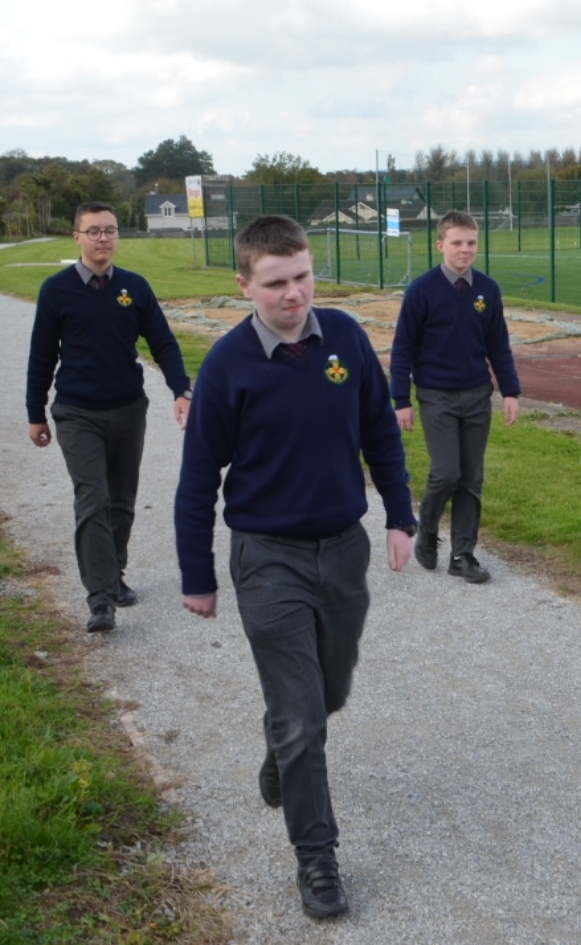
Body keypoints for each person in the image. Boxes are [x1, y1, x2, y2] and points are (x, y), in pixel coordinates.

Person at [174, 215, 416, 921]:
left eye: (302, 276)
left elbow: (378, 427)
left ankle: (281, 748)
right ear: (244, 285)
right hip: (266, 557)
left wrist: (398, 515)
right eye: (276, 283)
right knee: (305, 718)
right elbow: (196, 482)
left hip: (342, 547)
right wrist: (198, 576)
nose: (293, 294)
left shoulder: (342, 336)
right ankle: (317, 857)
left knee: (328, 693)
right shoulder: (226, 366)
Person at [27, 201, 191, 634]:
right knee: (92, 499)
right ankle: (100, 600)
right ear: (76, 237)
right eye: (94, 231)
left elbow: (164, 343)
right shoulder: (56, 290)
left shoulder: (134, 288)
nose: (104, 238)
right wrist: (35, 414)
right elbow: (42, 356)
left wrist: (181, 389)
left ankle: (114, 575)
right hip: (77, 412)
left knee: (121, 501)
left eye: (111, 231)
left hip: (128, 409)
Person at [388, 209, 521, 583]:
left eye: (472, 243)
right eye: (457, 243)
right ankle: (427, 530)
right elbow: (402, 350)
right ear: (440, 244)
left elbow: (499, 345)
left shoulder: (487, 290)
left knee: (471, 478)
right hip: (436, 396)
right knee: (446, 473)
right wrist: (401, 400)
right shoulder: (422, 291)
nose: (465, 250)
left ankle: (463, 554)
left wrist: (509, 391)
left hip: (477, 395)